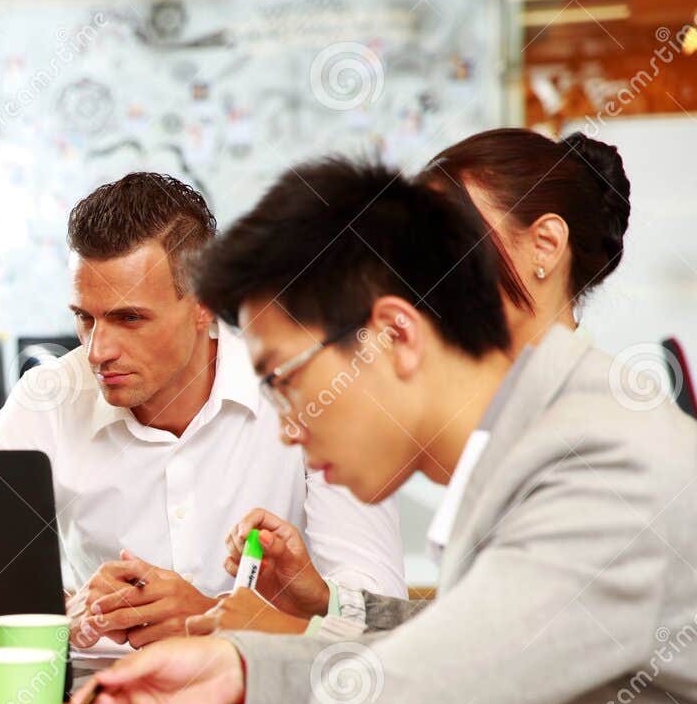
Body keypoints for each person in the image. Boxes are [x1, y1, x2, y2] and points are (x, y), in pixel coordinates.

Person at [77, 156, 697, 704]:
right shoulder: (547, 435)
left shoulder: (602, 473)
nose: (287, 424)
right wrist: (239, 665)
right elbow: (434, 641)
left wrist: (265, 667)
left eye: (289, 378)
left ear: (396, 336)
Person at [196, 128, 633, 639]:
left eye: (454, 243)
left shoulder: (587, 455)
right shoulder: (506, 435)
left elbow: (461, 673)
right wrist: (323, 602)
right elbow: (472, 638)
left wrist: (267, 648)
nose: (424, 276)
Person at [0, 172, 404, 651]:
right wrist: (68, 615)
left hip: (262, 687)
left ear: (205, 304)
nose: (98, 350)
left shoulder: (317, 393)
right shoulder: (44, 401)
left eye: (129, 318)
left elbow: (377, 615)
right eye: (85, 317)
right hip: (97, 696)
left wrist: (211, 616)